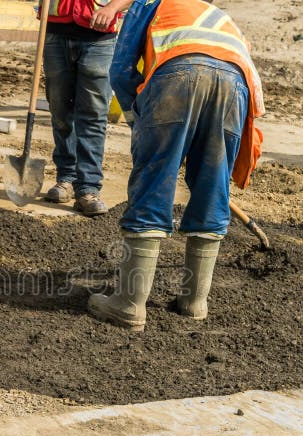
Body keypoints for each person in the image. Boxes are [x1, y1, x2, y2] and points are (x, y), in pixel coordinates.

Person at [88, 0, 264, 330]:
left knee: (154, 182)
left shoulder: (150, 2)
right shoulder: (217, 16)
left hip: (178, 76)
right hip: (235, 86)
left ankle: (129, 305)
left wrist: (138, 118)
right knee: (213, 186)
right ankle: (195, 303)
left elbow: (121, 70)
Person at [41, 0, 133, 216]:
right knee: (60, 111)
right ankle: (66, 179)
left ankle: (88, 189)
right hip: (56, 32)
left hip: (98, 38)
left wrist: (111, 8)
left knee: (92, 115)